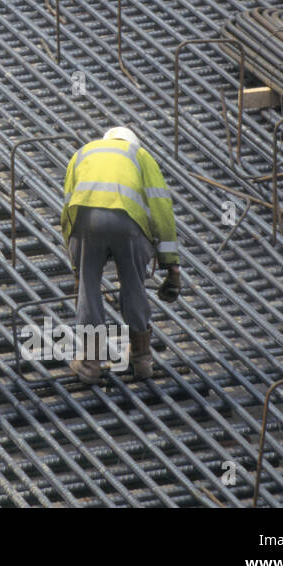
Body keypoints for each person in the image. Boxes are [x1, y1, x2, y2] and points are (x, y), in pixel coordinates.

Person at [61, 126, 182, 384]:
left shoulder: (82, 153)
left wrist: (77, 265)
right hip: (127, 224)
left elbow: (68, 209)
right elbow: (161, 208)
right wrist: (172, 267)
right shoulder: (140, 155)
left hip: (86, 220)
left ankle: (90, 363)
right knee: (133, 284)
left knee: (88, 287)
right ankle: (141, 359)